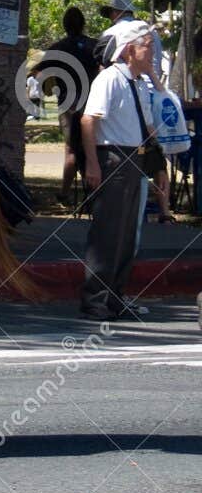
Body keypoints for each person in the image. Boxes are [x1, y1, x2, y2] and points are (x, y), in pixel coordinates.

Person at [79, 20, 161, 321]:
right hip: (113, 157)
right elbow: (89, 121)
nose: (152, 52)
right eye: (147, 46)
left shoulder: (139, 83)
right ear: (129, 50)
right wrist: (92, 163)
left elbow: (148, 126)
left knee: (127, 235)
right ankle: (95, 300)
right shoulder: (111, 79)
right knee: (108, 233)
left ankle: (114, 296)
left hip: (134, 158)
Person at [30, 6, 99, 202]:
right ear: (83, 24)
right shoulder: (94, 46)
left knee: (71, 149)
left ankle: (65, 193)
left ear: (64, 25)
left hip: (68, 102)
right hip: (92, 101)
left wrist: (49, 86)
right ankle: (94, 192)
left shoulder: (57, 48)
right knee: (93, 145)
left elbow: (41, 74)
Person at [95, 0, 164, 74]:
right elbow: (158, 62)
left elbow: (105, 63)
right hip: (155, 83)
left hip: (127, 84)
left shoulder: (110, 33)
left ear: (115, 12)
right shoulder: (152, 32)